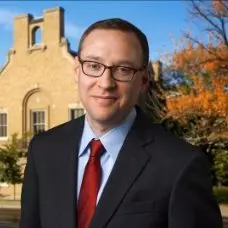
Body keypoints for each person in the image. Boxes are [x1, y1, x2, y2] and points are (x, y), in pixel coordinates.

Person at [19, 18, 223, 228]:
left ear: (143, 81)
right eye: (93, 65)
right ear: (77, 72)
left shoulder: (181, 164)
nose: (106, 83)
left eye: (123, 69)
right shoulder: (43, 149)